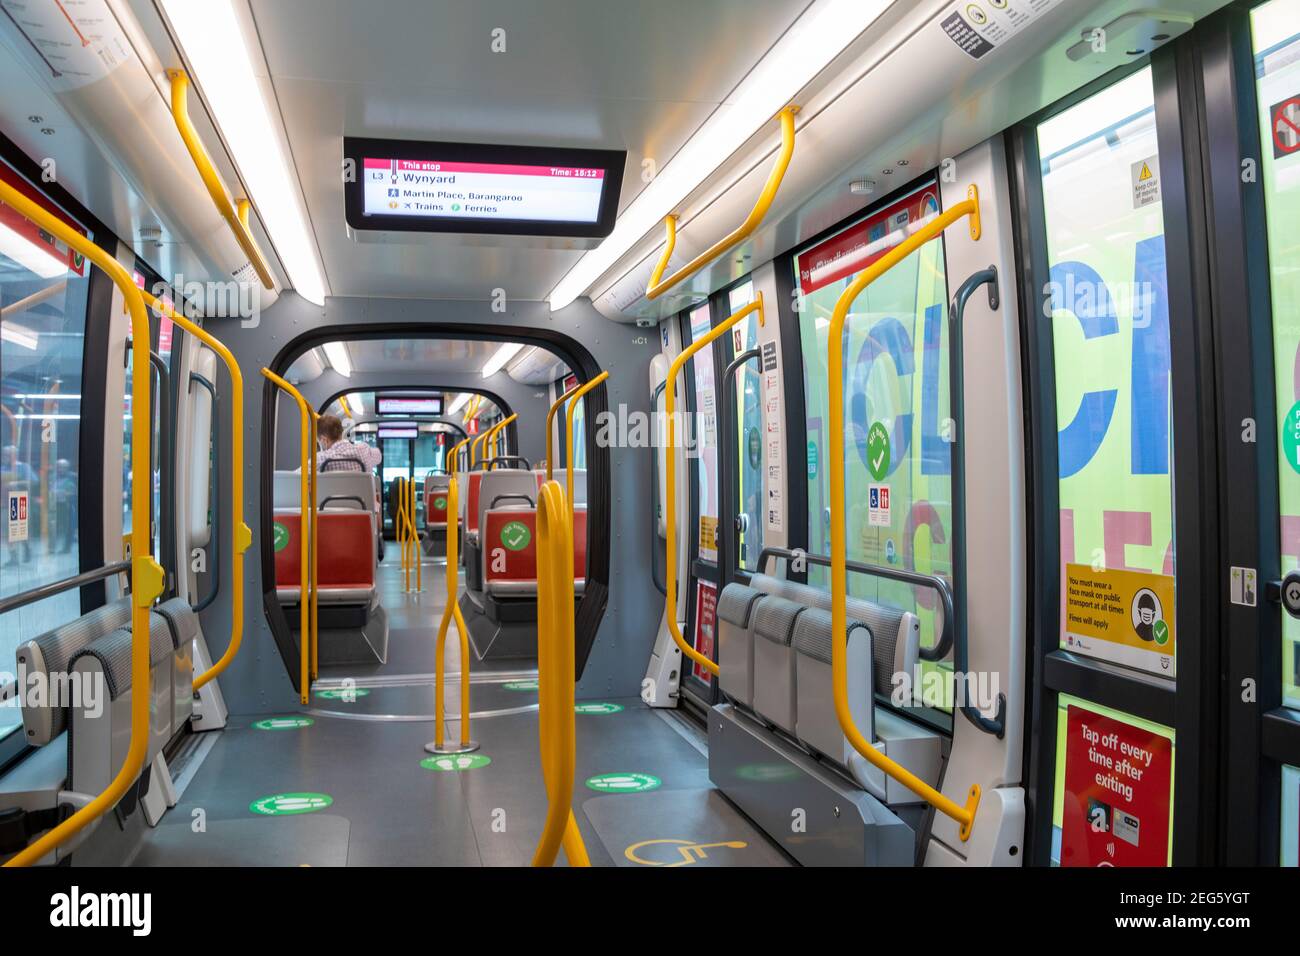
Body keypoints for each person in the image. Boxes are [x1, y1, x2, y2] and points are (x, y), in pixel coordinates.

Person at [316, 414, 381, 473]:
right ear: (341, 432)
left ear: (324, 440)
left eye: (319, 441)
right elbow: (379, 457)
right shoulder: (364, 449)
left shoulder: (319, 459)